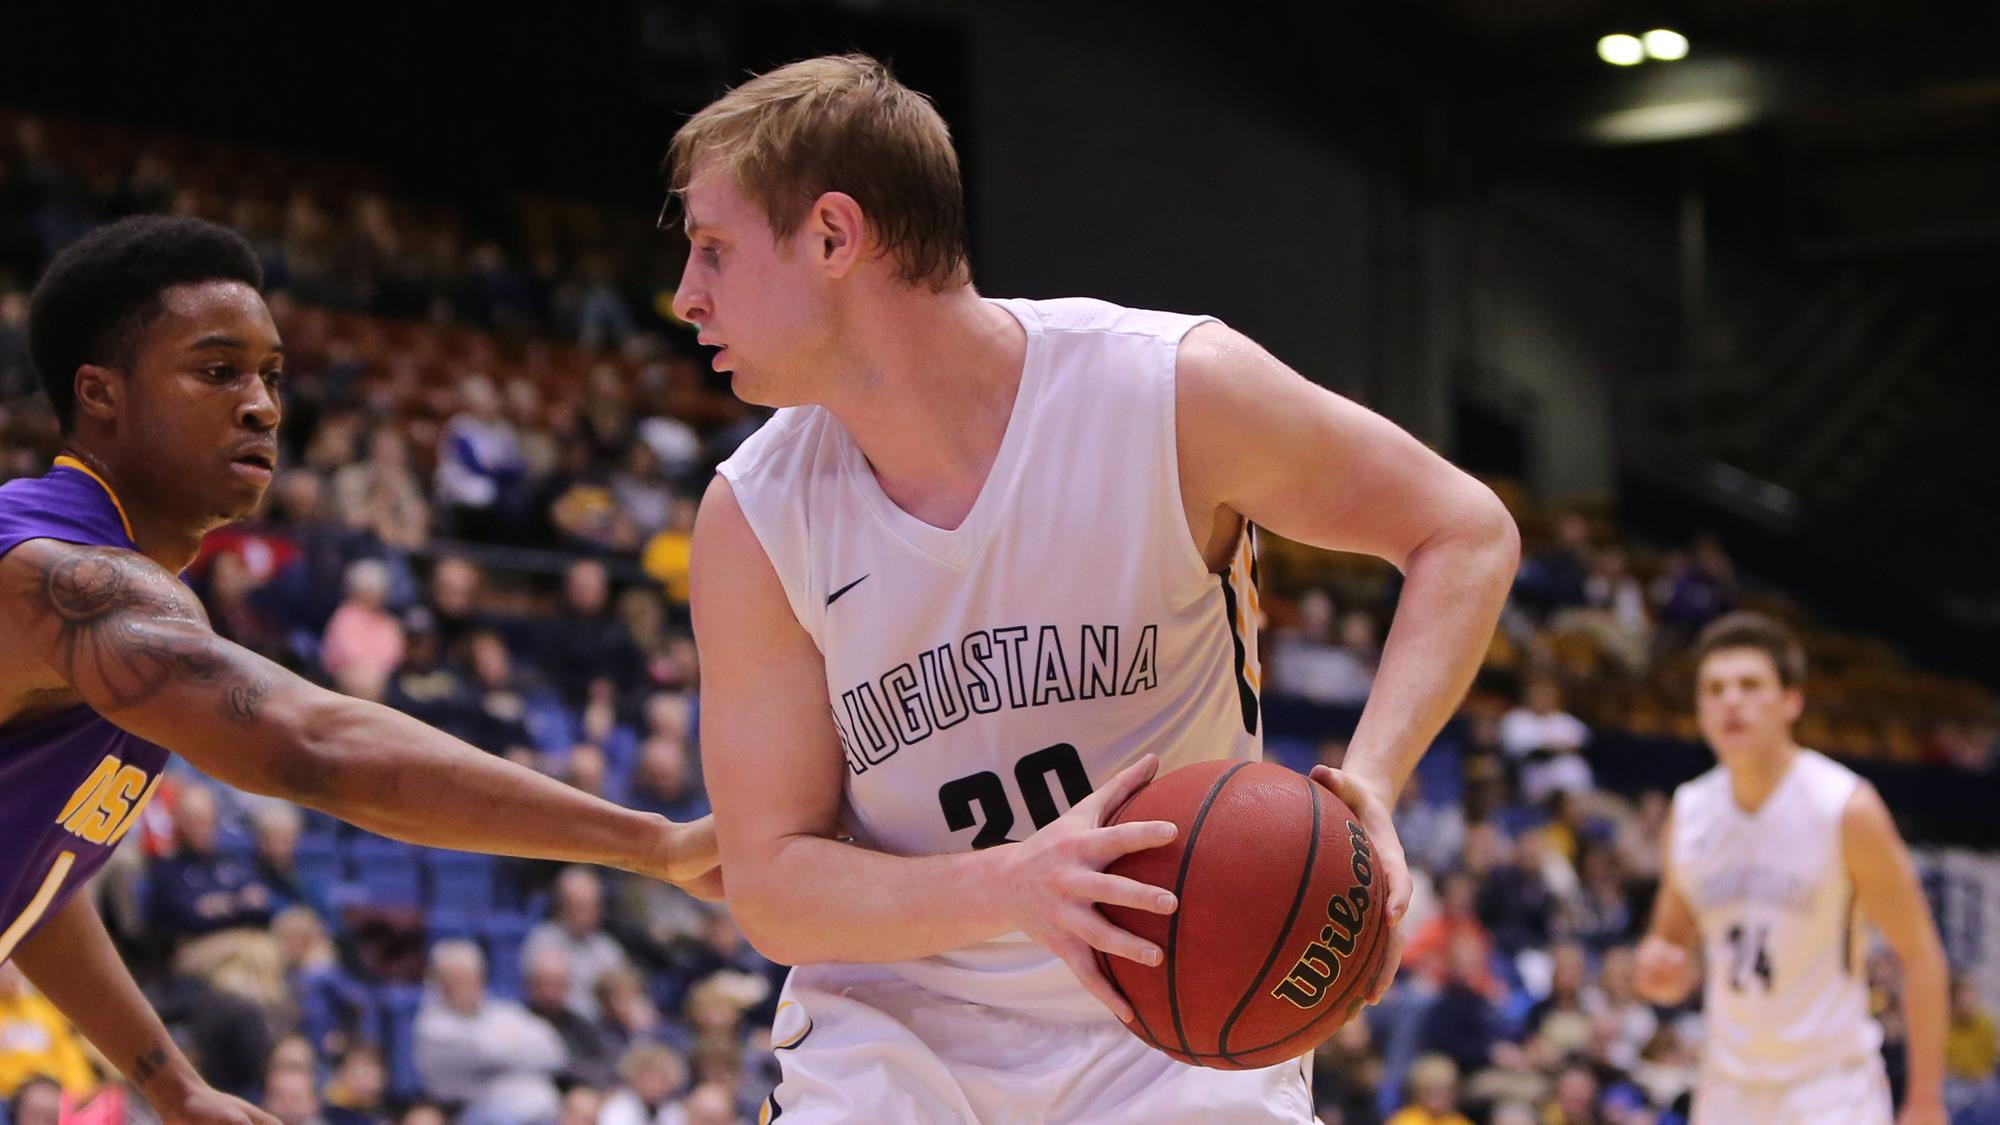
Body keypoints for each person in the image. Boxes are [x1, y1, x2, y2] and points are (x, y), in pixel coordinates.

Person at [672, 54, 1519, 1122]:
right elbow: (773, 887)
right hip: (894, 1023)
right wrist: (1014, 886)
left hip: (1180, 1015)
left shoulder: (1164, 391)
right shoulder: (752, 514)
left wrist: (1374, 784)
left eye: (712, 248)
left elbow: (1462, 532)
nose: (685, 295)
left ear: (833, 238)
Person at [0, 215, 719, 1125]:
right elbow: (315, 745)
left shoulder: (113, 602)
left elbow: (34, 877)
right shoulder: (54, 576)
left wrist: (171, 1083)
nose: (261, 405)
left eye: (269, 375)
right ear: (101, 394)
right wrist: (651, 842)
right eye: (217, 371)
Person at [1634, 612, 1948, 1125]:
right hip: (1726, 1087)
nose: (1731, 700)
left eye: (1750, 685)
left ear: (1791, 701)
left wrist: (1927, 1101)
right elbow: (1670, 947)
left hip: (1829, 1087)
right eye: (1715, 689)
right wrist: (1658, 969)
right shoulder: (1689, 810)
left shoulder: (1845, 808)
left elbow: (1921, 956)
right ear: (1699, 709)